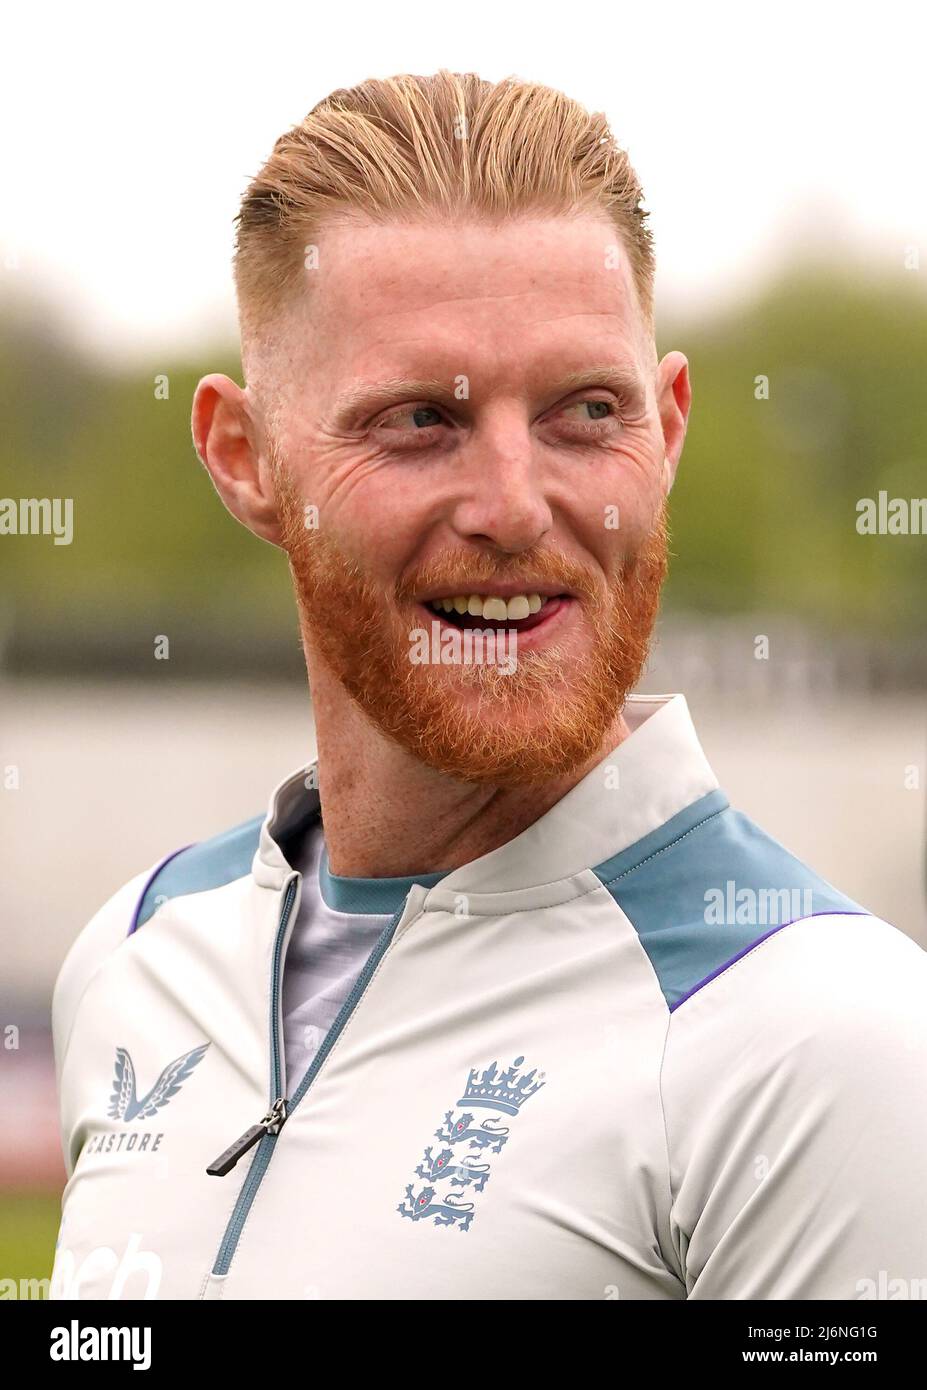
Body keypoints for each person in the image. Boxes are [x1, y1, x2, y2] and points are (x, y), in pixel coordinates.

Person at [50, 70, 927, 1300]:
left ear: (667, 433)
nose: (516, 507)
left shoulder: (828, 1035)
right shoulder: (138, 948)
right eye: (419, 420)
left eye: (584, 411)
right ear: (244, 460)